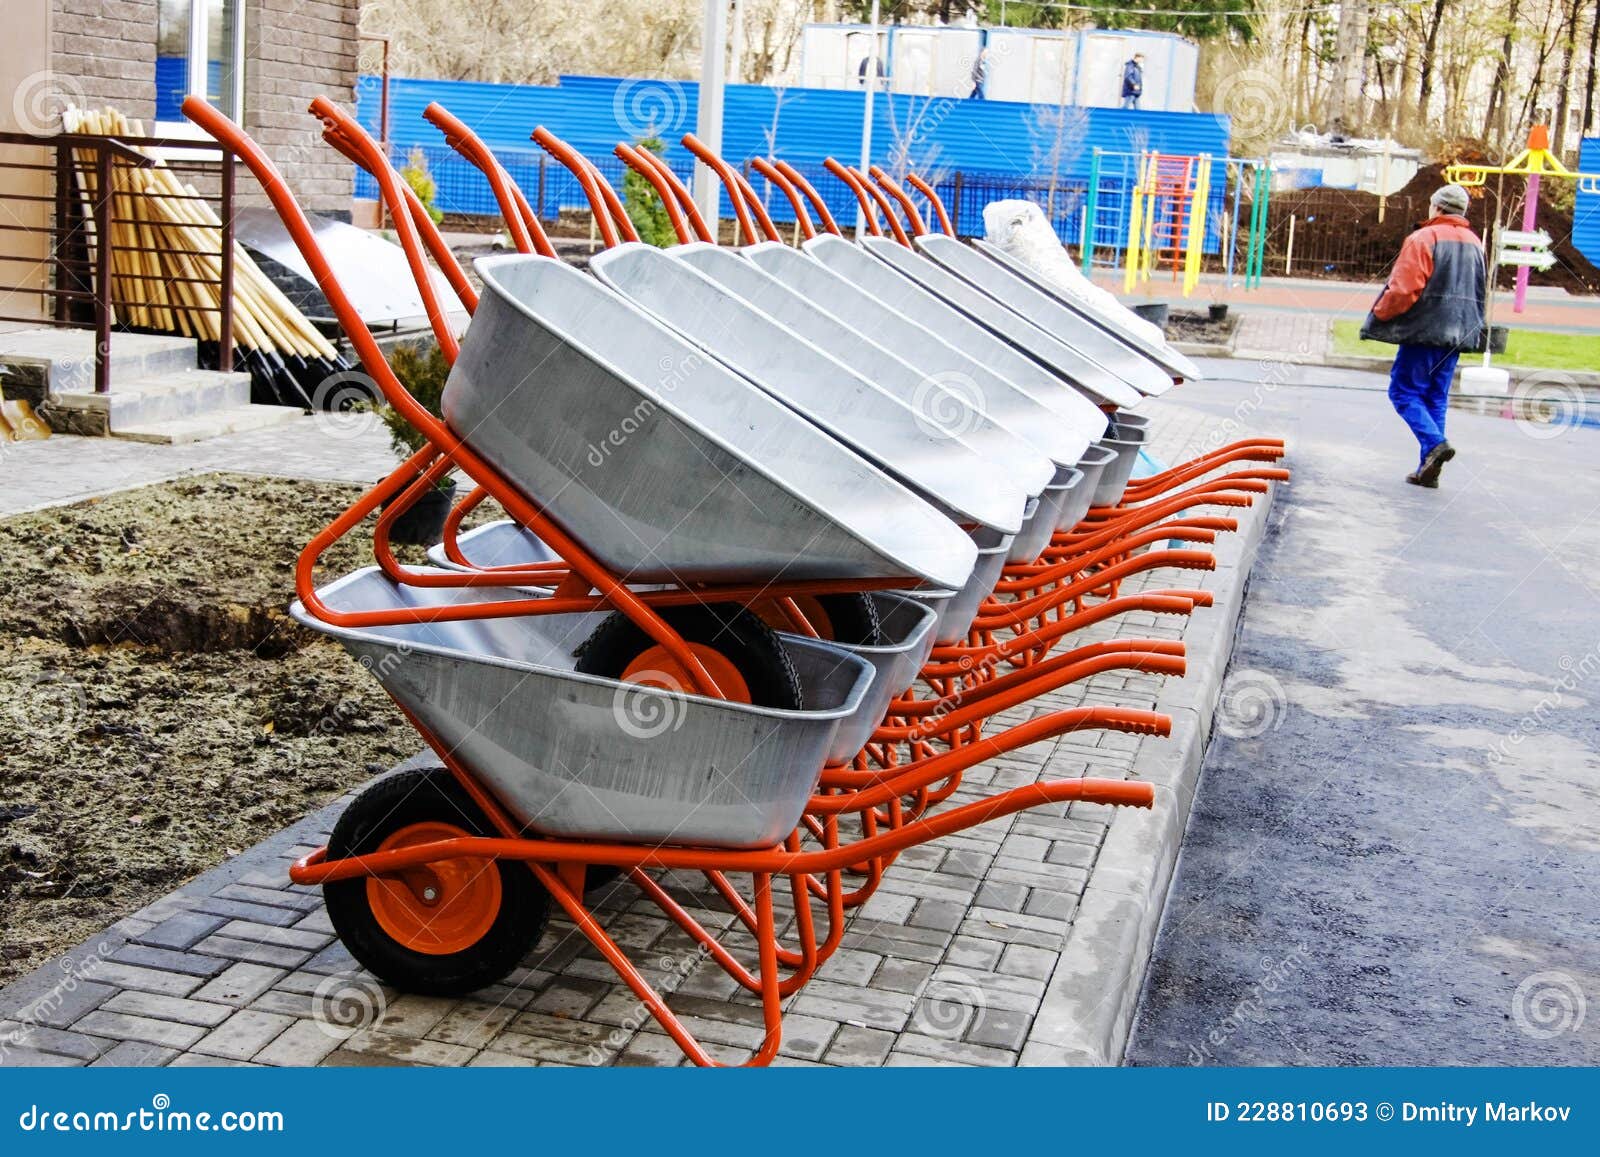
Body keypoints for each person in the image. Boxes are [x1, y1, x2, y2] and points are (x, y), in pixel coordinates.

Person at [1360, 183, 1486, 489]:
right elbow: (1480, 290)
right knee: (1435, 398)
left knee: (1402, 392)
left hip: (1424, 331)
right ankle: (1427, 468)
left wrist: (1380, 314)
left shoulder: (1424, 237)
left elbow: (1404, 289)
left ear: (1437, 208)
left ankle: (1434, 445)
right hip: (1457, 333)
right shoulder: (1474, 242)